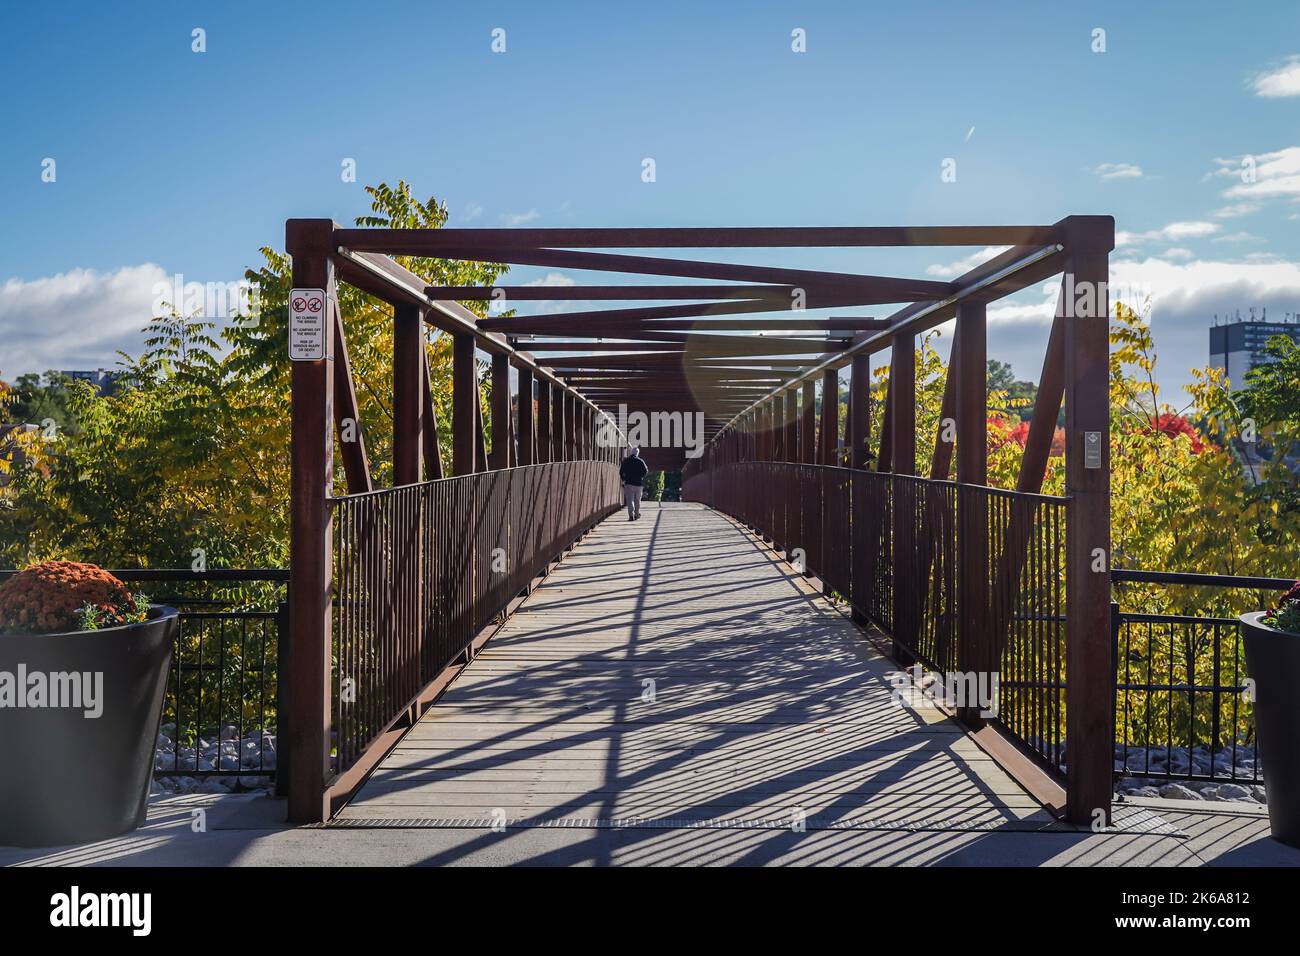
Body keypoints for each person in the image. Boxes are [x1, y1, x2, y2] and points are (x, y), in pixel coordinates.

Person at [619, 446, 648, 521]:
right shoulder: (640, 461)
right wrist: (641, 477)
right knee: (637, 500)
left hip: (628, 483)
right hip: (638, 484)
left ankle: (631, 515)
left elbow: (621, 471)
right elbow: (646, 471)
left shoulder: (626, 461)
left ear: (631, 452)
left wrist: (623, 479)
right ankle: (637, 514)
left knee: (630, 500)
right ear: (637, 453)